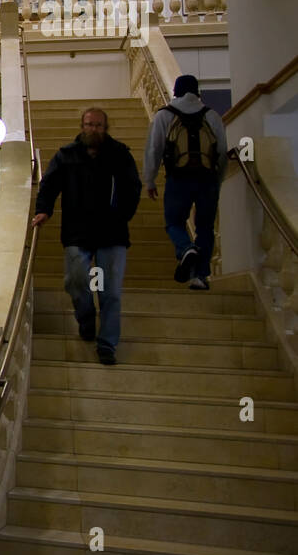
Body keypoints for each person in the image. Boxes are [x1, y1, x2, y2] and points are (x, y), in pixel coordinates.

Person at [31, 107, 142, 365]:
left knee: (110, 292)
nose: (94, 129)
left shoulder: (120, 155)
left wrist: (122, 215)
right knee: (76, 281)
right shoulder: (66, 155)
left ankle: (107, 345)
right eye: (90, 124)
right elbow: (48, 185)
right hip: (76, 232)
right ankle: (86, 318)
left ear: (106, 127)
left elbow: (132, 188)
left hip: (112, 233)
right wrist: (43, 211)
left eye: (99, 125)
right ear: (82, 126)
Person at [142, 75, 227, 291]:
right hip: (207, 179)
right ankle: (200, 276)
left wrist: (149, 180)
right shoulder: (212, 116)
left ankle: (186, 248)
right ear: (197, 92)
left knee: (174, 222)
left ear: (176, 92)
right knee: (205, 227)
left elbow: (154, 150)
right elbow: (222, 152)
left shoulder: (164, 115)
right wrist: (218, 179)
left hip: (178, 178)